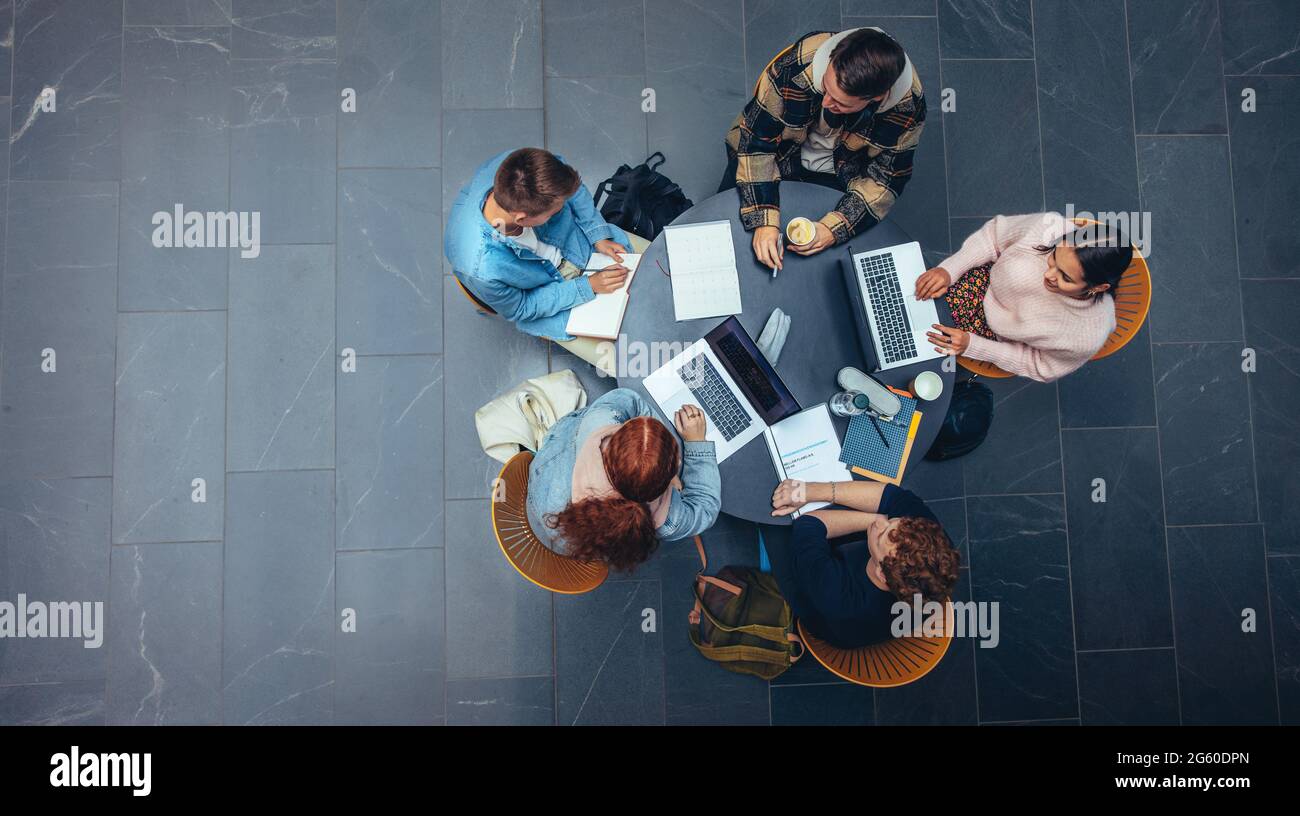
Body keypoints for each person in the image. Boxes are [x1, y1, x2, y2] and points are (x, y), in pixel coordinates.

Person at [720, 27, 925, 272]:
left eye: (840, 103)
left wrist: (832, 229)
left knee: (820, 268)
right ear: (832, 58)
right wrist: (764, 218)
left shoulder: (909, 108)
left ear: (878, 97)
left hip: (842, 175)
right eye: (825, 87)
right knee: (728, 230)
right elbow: (756, 143)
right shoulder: (796, 66)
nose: (826, 102)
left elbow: (887, 179)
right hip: (778, 157)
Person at [444, 147, 648, 374]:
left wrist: (597, 234)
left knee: (657, 267)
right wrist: (586, 286)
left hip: (581, 243)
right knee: (631, 362)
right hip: (551, 295)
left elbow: (573, 189)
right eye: (555, 212)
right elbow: (522, 307)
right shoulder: (482, 268)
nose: (562, 208)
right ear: (522, 219)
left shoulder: (521, 166)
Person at [916, 213, 1133, 382]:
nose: (1048, 276)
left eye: (1065, 277)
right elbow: (993, 238)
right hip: (983, 277)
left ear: (1097, 287)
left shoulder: (1085, 336)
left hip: (993, 335)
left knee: (921, 357)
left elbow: (1036, 364)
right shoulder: (1050, 227)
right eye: (1053, 257)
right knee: (910, 293)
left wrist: (972, 346)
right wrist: (950, 269)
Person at [526, 389, 721, 573]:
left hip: (544, 496)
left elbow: (629, 398)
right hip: (573, 530)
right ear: (670, 474)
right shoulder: (669, 520)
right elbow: (706, 508)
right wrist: (696, 442)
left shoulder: (601, 419)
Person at [769, 479, 959, 648]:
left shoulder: (838, 595)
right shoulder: (932, 545)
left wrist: (875, 518)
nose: (881, 523)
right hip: (861, 591)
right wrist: (812, 490)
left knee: (774, 523)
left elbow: (808, 525)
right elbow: (892, 497)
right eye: (894, 520)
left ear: (882, 574)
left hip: (817, 606)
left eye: (882, 535)